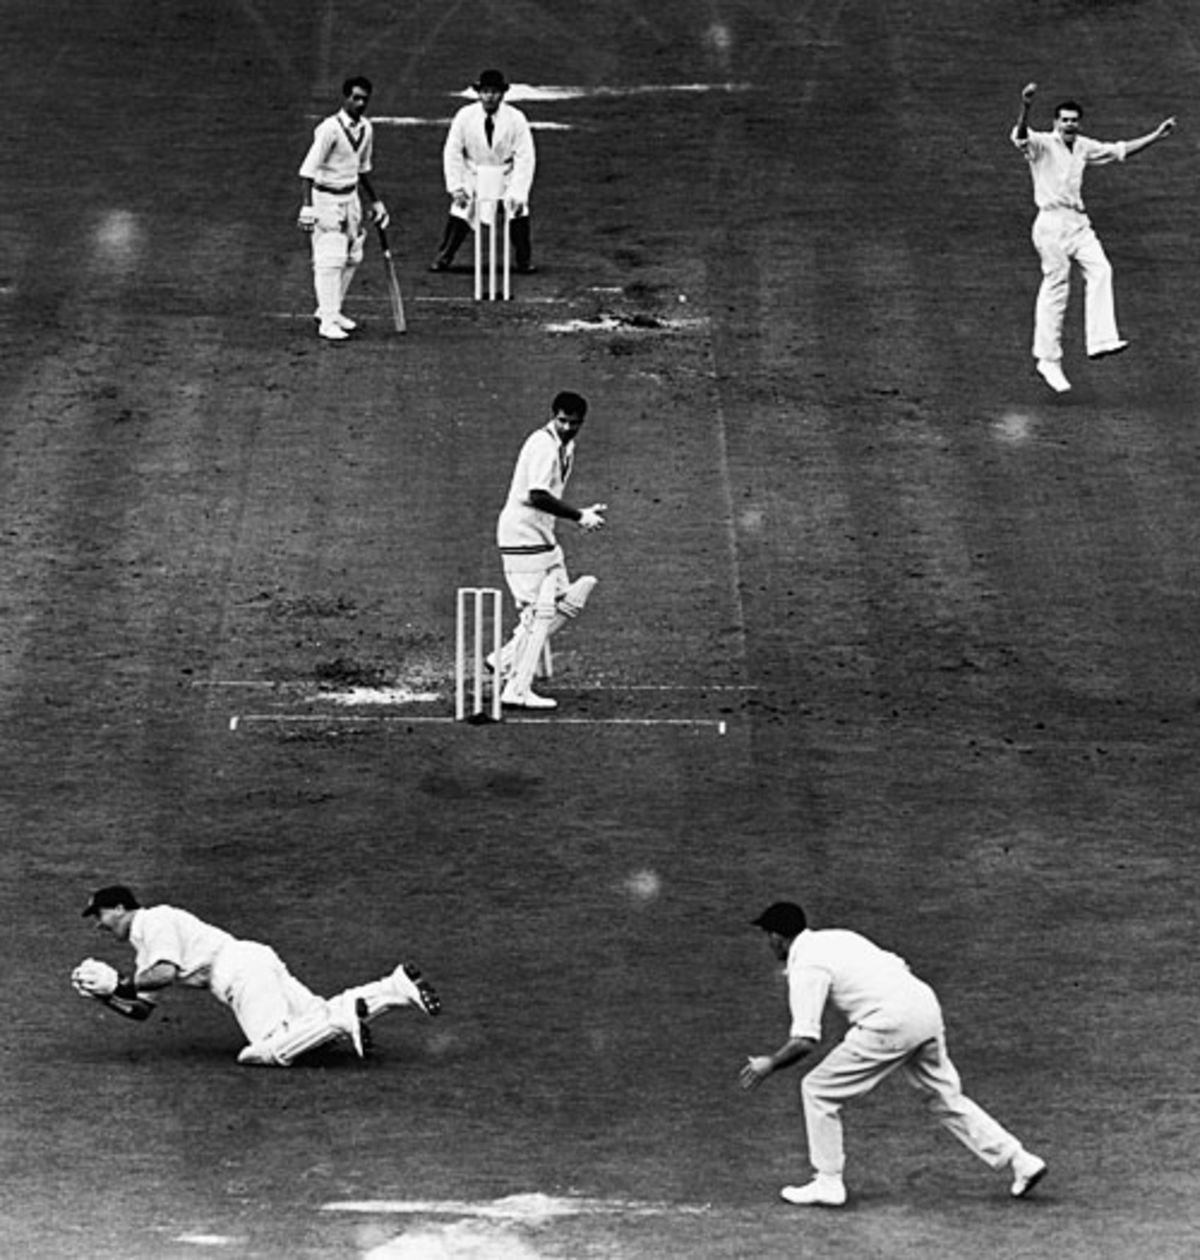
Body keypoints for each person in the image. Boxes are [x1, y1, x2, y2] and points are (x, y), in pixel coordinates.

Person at [739, 901, 1047, 1207]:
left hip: (890, 1023)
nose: (768, 943)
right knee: (945, 1098)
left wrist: (771, 1063)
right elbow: (897, 965)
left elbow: (805, 1039)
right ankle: (1021, 1161)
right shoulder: (837, 937)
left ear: (777, 936)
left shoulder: (806, 966)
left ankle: (828, 1181)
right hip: (924, 1007)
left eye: (767, 935)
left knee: (817, 1089)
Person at [73, 885, 440, 1067]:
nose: (100, 926)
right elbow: (142, 1010)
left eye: (100, 916)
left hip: (236, 970)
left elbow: (165, 974)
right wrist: (106, 996)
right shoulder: (144, 951)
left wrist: (118, 983)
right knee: (314, 1027)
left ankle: (345, 1018)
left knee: (263, 1051)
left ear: (120, 908)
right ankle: (393, 989)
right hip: (252, 959)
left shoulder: (154, 920)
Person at [1012, 82, 1176, 393]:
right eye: (1065, 120)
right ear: (1056, 123)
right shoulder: (1042, 144)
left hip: (1078, 223)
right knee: (1057, 286)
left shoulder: (1084, 146)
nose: (1070, 124)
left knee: (1102, 270)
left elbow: (1120, 150)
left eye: (1074, 120)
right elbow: (1021, 136)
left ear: (1079, 123)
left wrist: (1156, 135)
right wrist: (1026, 106)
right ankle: (1048, 360)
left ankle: (1101, 341)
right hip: (1050, 223)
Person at [493, 391, 607, 710]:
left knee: (565, 599)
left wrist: (577, 510)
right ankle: (516, 688)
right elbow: (538, 495)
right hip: (522, 536)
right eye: (562, 421)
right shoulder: (543, 445)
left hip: (541, 535)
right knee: (538, 612)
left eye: (574, 423)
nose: (568, 427)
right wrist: (579, 516)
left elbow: (547, 498)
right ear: (553, 415)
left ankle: (504, 658)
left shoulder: (566, 444)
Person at [298, 75, 391, 341]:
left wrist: (376, 201)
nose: (360, 103)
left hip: (351, 199)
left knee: (354, 255)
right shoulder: (329, 129)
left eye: (365, 99)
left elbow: (362, 170)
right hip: (326, 199)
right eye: (355, 98)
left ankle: (332, 309)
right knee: (331, 257)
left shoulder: (366, 129)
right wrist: (307, 207)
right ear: (346, 98)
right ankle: (326, 322)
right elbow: (308, 169)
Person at [430, 69, 537, 274]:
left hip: (505, 174)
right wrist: (456, 187)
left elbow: (525, 157)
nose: (489, 96)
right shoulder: (465, 116)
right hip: (474, 174)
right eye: (485, 91)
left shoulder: (516, 118)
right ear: (479, 93)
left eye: (494, 92)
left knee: (518, 211)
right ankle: (445, 255)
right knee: (461, 208)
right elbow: (452, 151)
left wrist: (519, 191)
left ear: (502, 94)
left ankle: (524, 259)